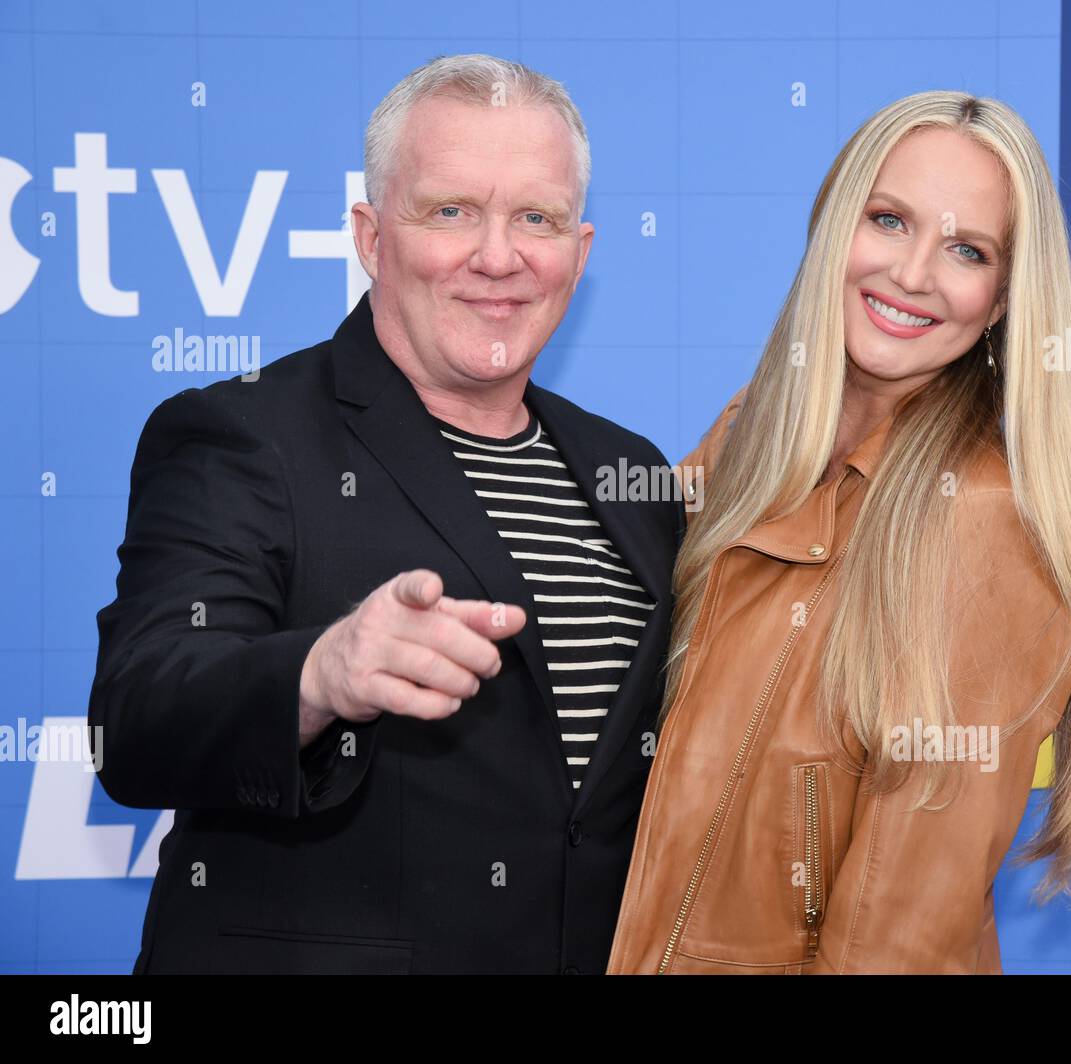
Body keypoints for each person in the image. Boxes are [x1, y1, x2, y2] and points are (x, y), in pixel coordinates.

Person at [89, 54, 682, 974]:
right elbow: (137, 721)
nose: (499, 254)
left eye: (538, 217)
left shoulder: (631, 473)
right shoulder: (243, 434)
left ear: (582, 250)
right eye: (451, 211)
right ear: (370, 237)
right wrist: (320, 674)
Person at [606, 91, 1071, 974]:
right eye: (889, 220)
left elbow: (897, 948)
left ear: (1003, 298)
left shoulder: (987, 525)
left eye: (966, 249)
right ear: (832, 224)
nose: (914, 274)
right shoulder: (749, 437)